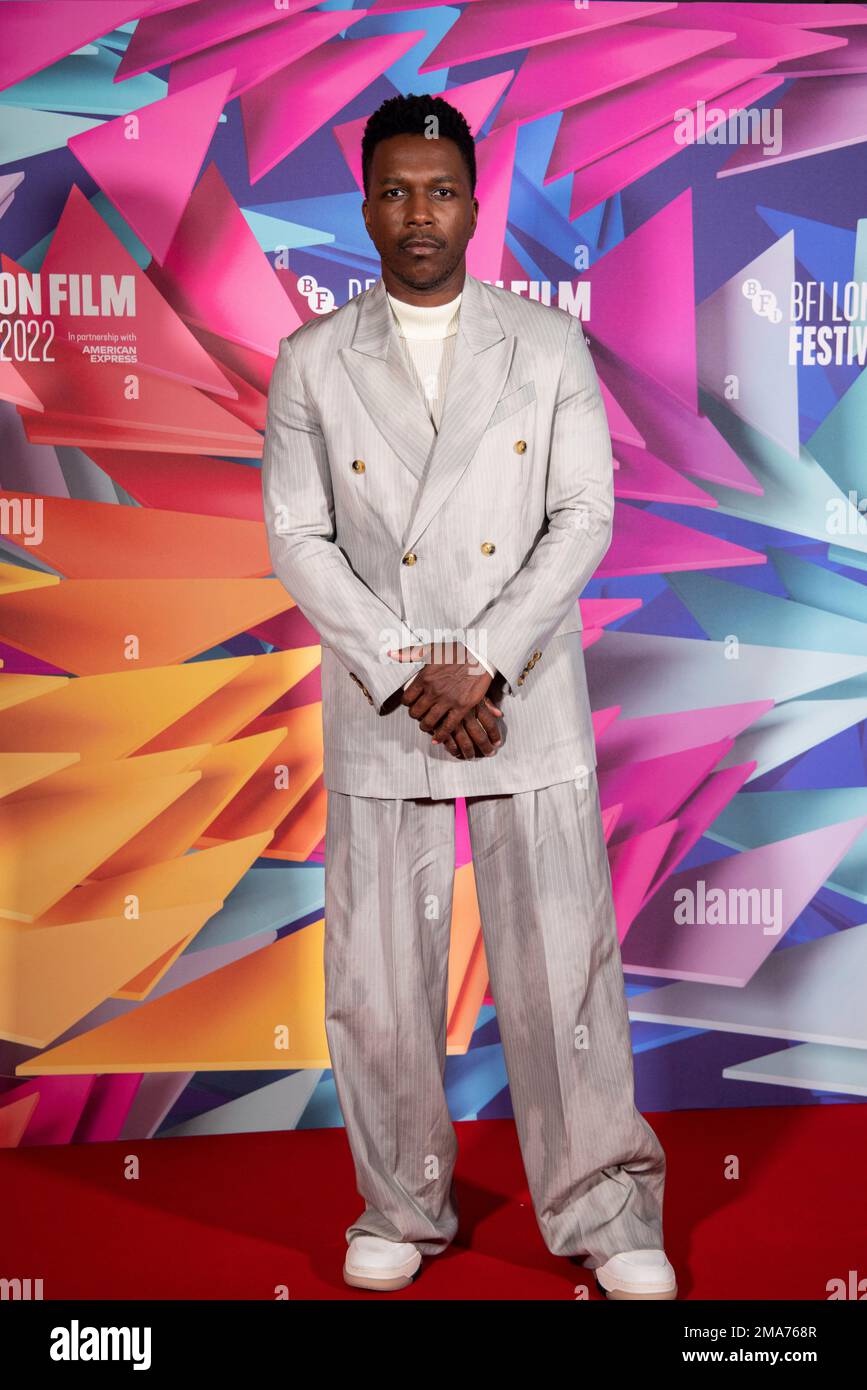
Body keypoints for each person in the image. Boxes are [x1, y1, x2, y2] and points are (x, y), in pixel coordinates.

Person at [262, 92, 676, 1300]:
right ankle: (398, 1200)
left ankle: (606, 1203)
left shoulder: (545, 347)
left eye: (439, 191)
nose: (417, 213)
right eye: (395, 190)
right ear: (366, 204)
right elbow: (299, 536)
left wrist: (483, 661)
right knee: (380, 978)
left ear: (474, 203)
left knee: (562, 969)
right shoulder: (311, 362)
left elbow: (582, 514)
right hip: (387, 701)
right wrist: (412, 672)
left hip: (521, 688)